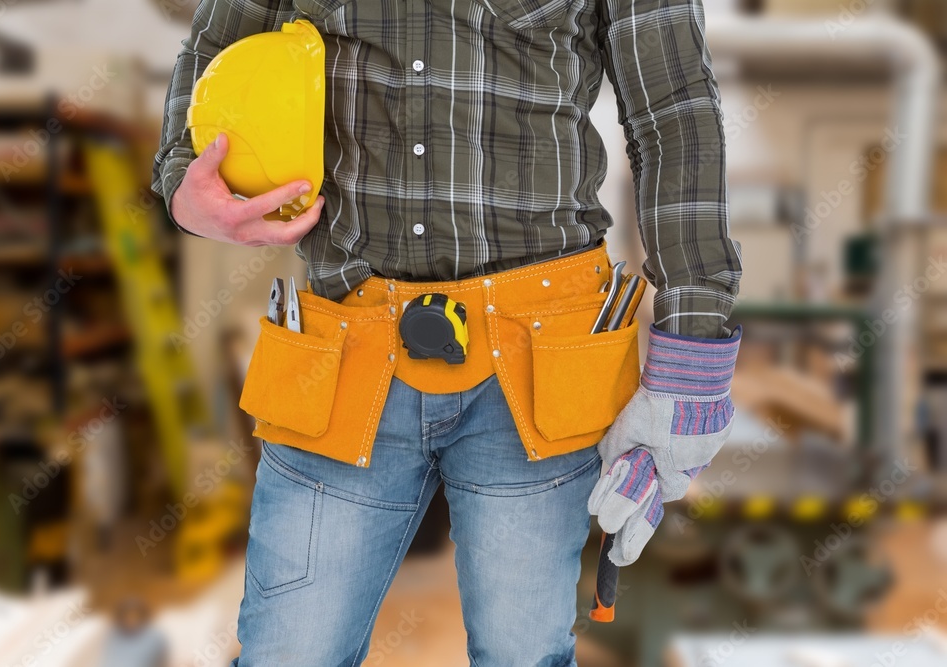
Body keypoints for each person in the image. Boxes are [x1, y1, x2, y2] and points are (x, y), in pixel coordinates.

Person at [153, 1, 743, 665]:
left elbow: (674, 114)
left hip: (539, 353)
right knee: (289, 653)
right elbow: (214, 47)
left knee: (525, 654)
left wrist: (691, 353)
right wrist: (184, 180)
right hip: (342, 346)